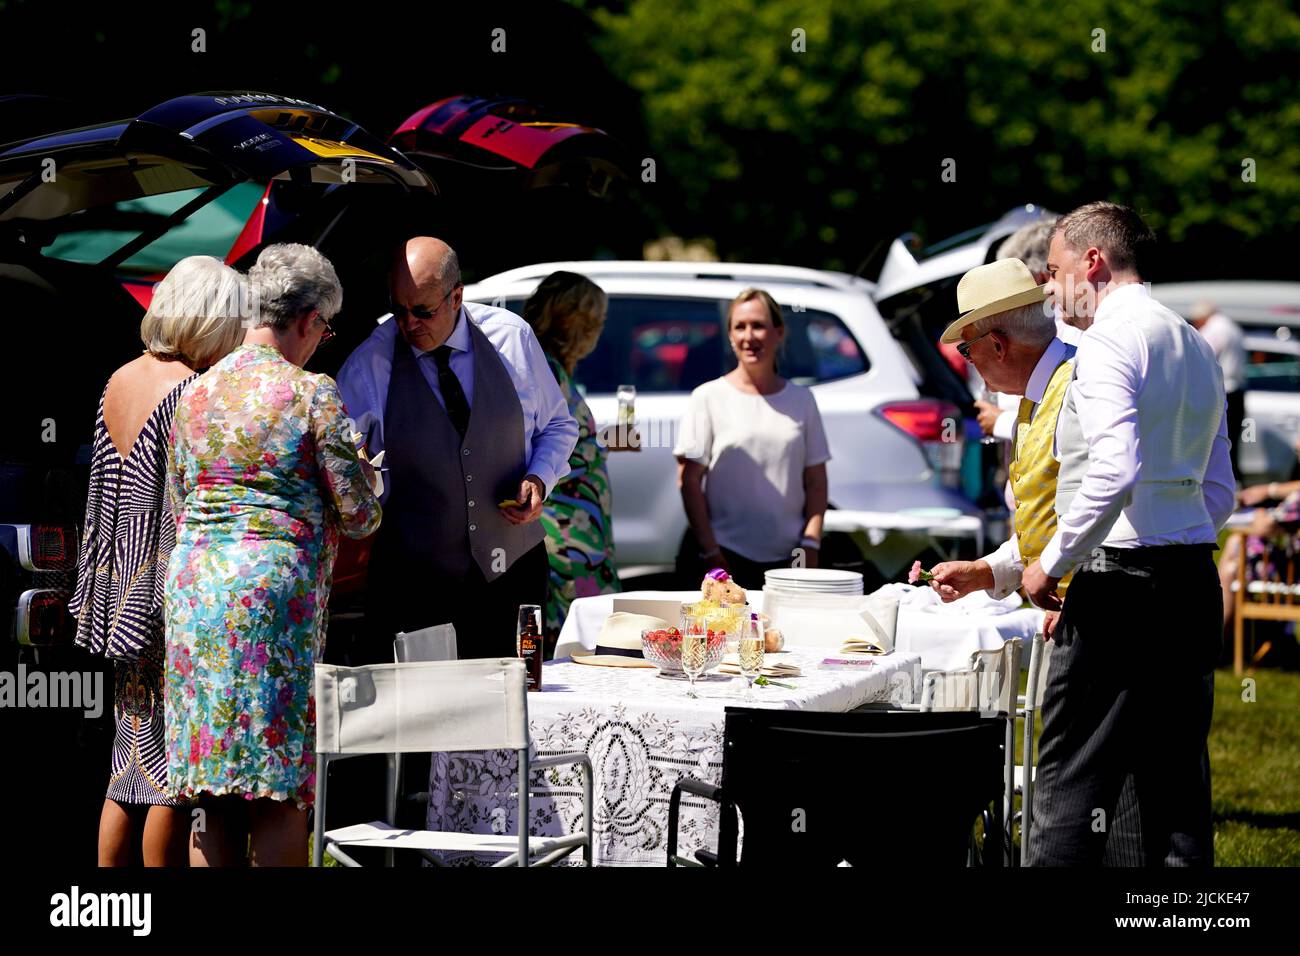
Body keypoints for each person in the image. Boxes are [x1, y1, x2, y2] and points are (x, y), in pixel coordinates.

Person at [1021, 202, 1235, 867]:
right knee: (1175, 795)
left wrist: (1052, 564)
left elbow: (1114, 469)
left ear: (1093, 263)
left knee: (1069, 788)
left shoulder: (1111, 341)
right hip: (1192, 579)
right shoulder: (1195, 342)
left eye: (1054, 272)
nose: (1050, 290)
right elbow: (1220, 489)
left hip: (1119, 588)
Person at [164, 244, 381, 867]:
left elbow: (182, 505)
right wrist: (366, 476)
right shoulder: (312, 393)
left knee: (212, 792)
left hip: (197, 592)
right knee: (277, 790)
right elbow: (360, 514)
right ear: (310, 321)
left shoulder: (196, 394)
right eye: (326, 329)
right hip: (272, 604)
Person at [69, 256, 246, 866]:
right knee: (175, 776)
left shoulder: (120, 378)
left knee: (128, 768)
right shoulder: (193, 393)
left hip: (120, 589)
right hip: (172, 597)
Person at [336, 237, 578, 661]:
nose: (409, 324)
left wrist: (539, 477)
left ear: (457, 296)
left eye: (423, 311)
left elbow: (558, 425)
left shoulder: (511, 338)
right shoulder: (368, 365)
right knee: (423, 715)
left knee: (516, 703)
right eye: (399, 309)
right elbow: (342, 471)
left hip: (513, 571)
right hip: (415, 584)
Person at [925, 258, 1074, 637]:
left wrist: (1062, 579)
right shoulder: (1040, 392)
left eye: (967, 351)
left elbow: (1103, 504)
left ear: (996, 344)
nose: (970, 363)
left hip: (1105, 611)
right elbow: (1049, 515)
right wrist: (986, 571)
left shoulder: (1080, 389)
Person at [673, 288, 830, 589]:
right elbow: (689, 481)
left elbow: (816, 481)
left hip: (789, 561)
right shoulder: (707, 397)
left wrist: (811, 543)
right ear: (730, 335)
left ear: (779, 332)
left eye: (758, 325)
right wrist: (710, 551)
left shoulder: (802, 400)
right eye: (739, 327)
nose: (749, 336)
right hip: (725, 558)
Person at [521, 272, 623, 643]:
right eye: (595, 321)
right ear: (572, 322)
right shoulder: (545, 367)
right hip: (564, 536)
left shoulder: (554, 368)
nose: (599, 331)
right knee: (577, 643)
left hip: (578, 533)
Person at [1189, 300, 1247, 478]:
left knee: (1217, 444)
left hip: (1224, 392)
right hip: (1237, 390)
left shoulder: (1214, 329)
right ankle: (1233, 483)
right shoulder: (1231, 326)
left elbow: (1200, 357)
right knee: (1231, 443)